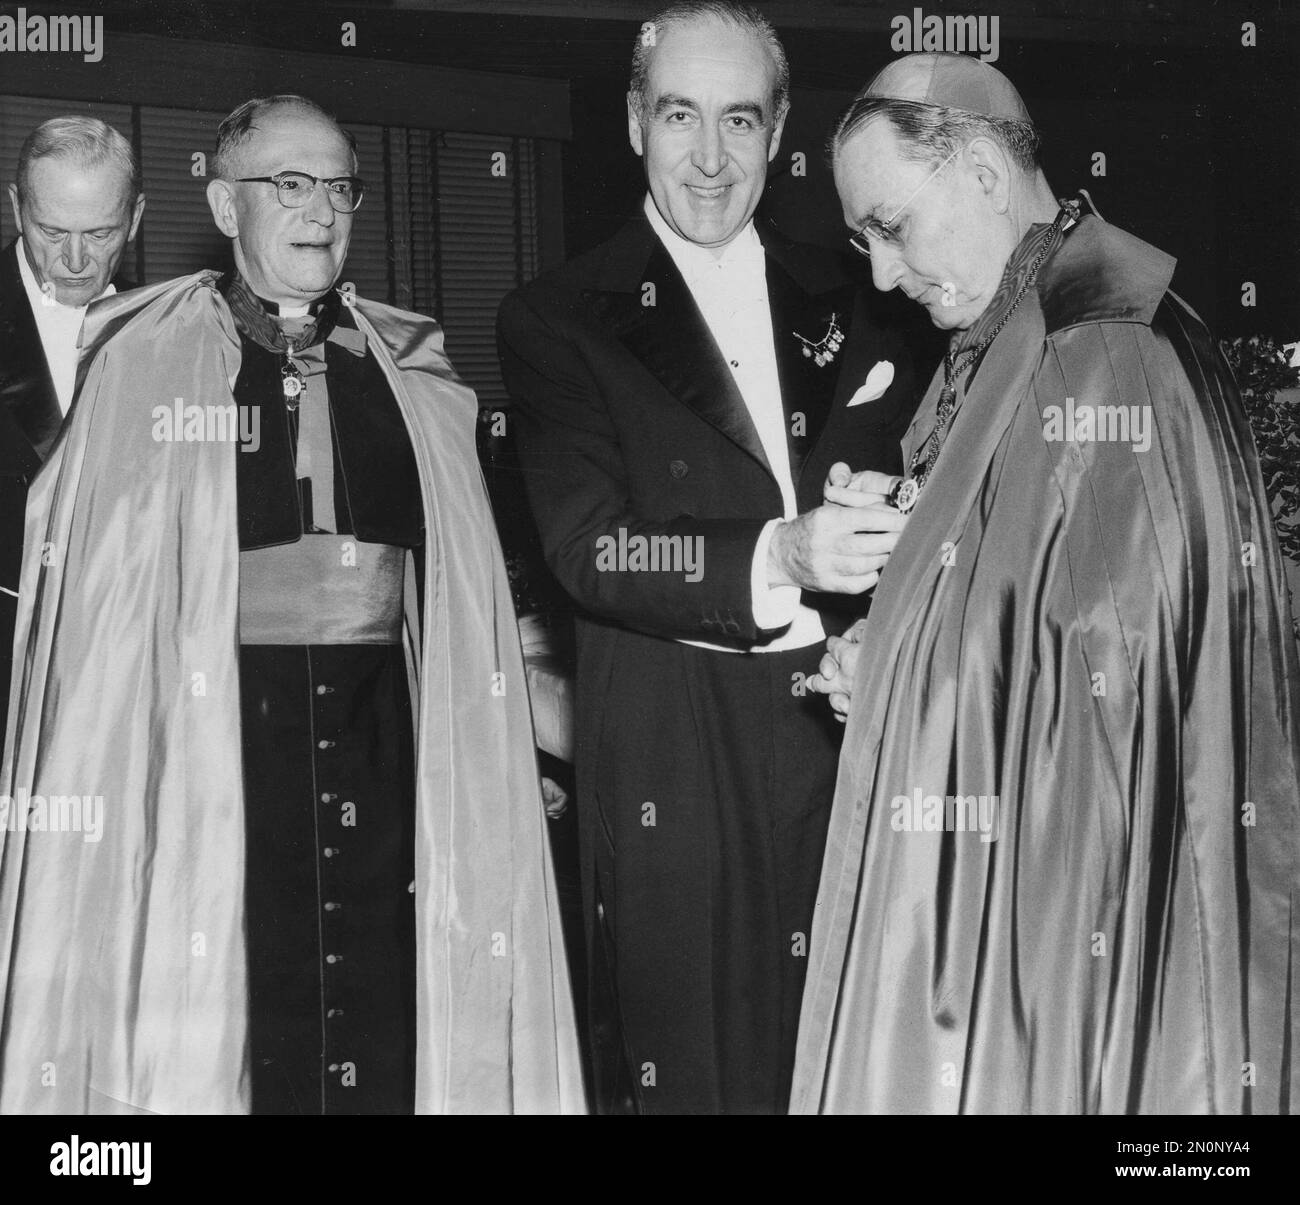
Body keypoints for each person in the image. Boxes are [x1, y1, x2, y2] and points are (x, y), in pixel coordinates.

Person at [0, 94, 583, 1115]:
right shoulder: (142, 357)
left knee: (389, 1024)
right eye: (289, 184)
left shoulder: (411, 369)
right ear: (225, 206)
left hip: (389, 755)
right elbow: (99, 608)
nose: (320, 208)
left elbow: (472, 603)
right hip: (210, 756)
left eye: (338, 185)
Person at [796, 52, 1300, 1113]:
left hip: (1081, 917)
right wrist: (900, 590)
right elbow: (1032, 588)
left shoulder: (1104, 346)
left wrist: (893, 663)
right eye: (862, 243)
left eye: (890, 226)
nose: (881, 276)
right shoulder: (1031, 319)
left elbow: (1108, 677)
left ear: (981, 171)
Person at [498, 1, 920, 1114]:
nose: (710, 155)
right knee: (689, 1071)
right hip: (668, 740)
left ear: (779, 134)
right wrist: (782, 547)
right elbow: (590, 547)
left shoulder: (867, 286)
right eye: (680, 115)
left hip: (843, 722)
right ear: (635, 123)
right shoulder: (557, 317)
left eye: (741, 120)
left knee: (852, 1053)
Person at [0, 116, 141, 753]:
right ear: (14, 207)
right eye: (52, 231)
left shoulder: (169, 331)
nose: (76, 260)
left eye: (101, 232)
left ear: (135, 218)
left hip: (123, 683)